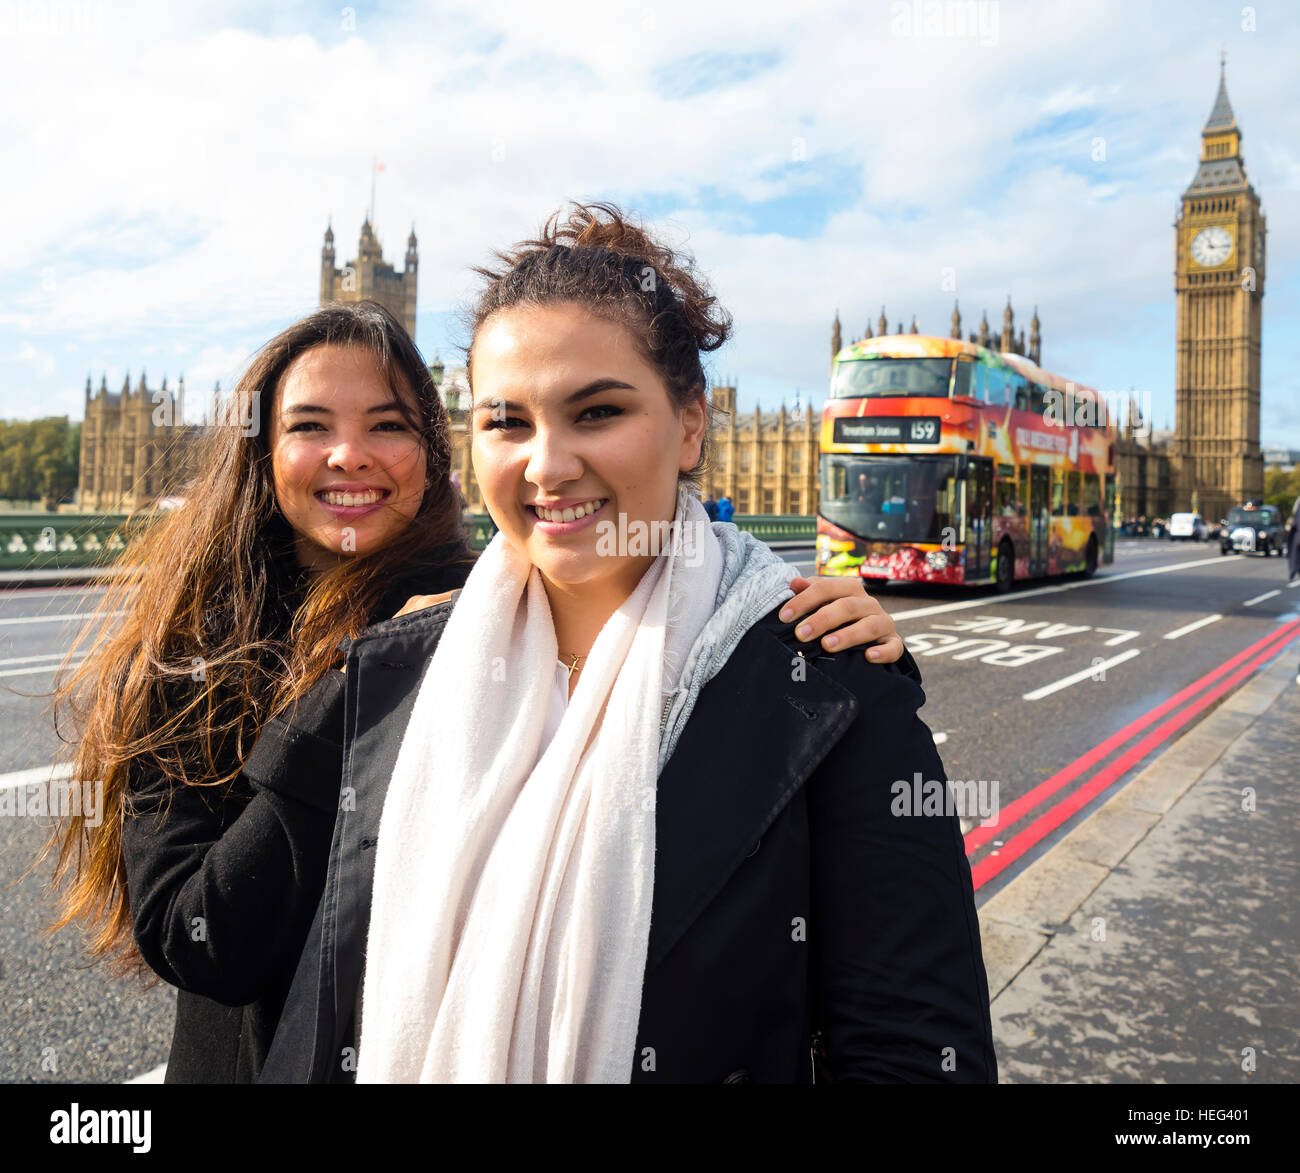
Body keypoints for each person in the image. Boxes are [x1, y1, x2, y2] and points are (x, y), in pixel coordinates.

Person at [42, 301, 907, 1084]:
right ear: (263, 448)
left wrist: (832, 642)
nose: (351, 454)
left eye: (388, 424)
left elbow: (665, 606)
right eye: (310, 425)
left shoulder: (498, 606)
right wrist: (360, 686)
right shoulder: (192, 651)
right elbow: (199, 939)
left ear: (437, 448)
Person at [262, 202, 995, 1084]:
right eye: (506, 421)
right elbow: (269, 975)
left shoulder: (836, 695)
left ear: (692, 424)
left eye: (597, 411)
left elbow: (914, 1055)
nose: (547, 463)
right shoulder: (406, 670)